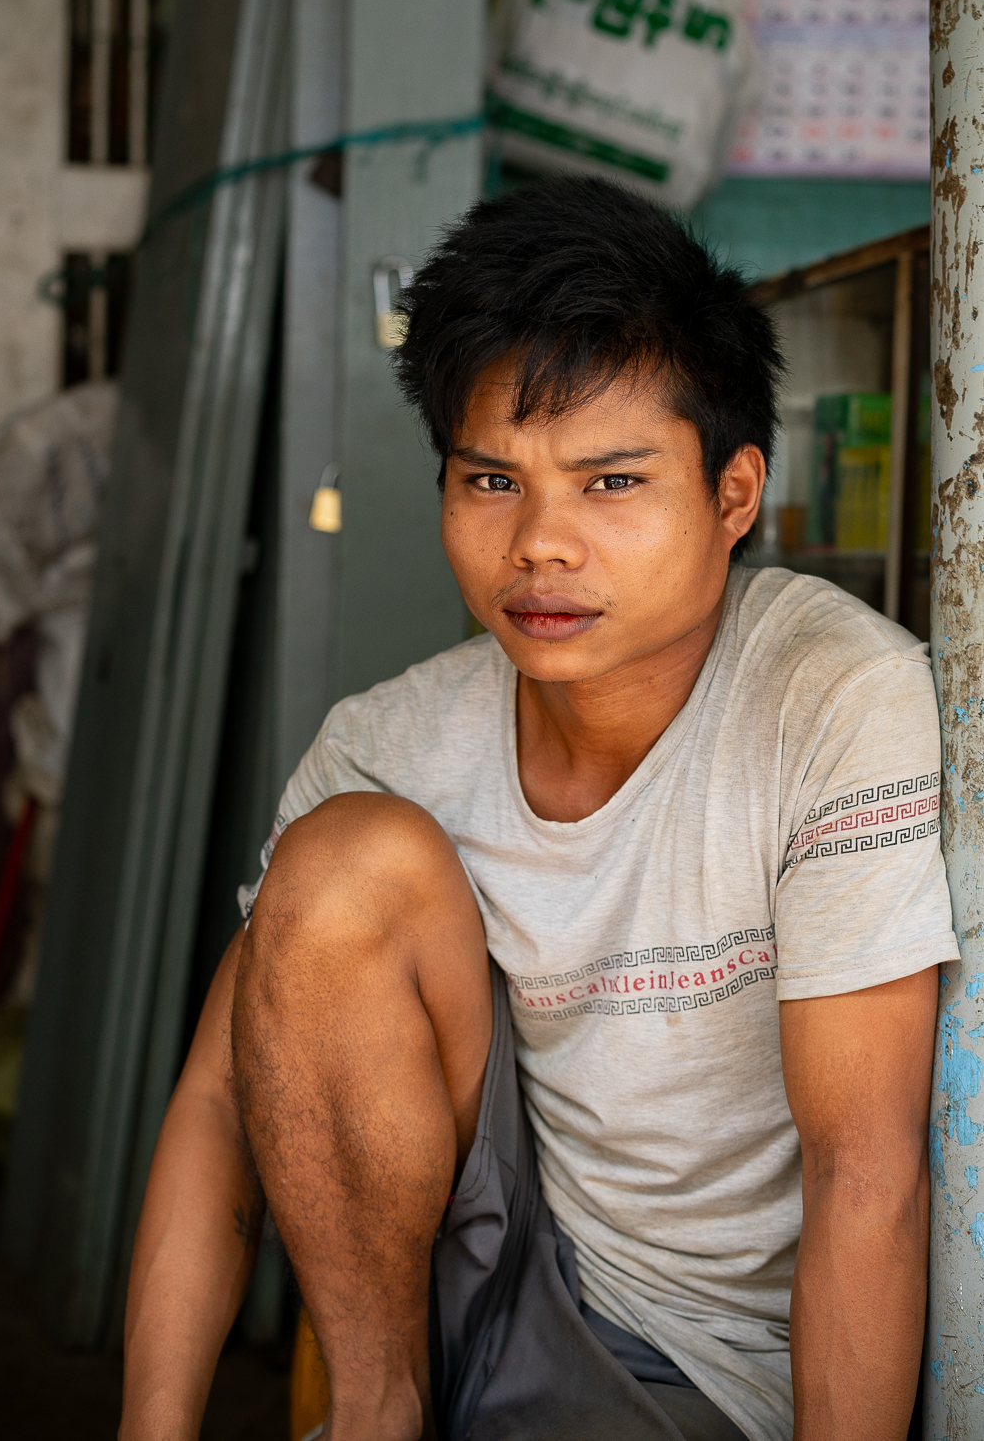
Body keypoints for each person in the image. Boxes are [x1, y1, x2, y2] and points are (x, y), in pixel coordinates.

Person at [119, 177, 954, 1441]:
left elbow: (867, 1174)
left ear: (734, 496)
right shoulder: (392, 739)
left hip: (702, 1366)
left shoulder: (829, 696)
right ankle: (377, 1418)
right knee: (342, 862)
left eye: (611, 484)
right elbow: (219, 1104)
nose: (541, 546)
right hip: (450, 1281)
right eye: (492, 480)